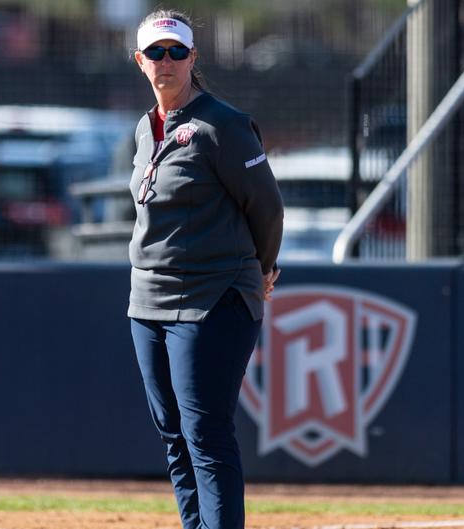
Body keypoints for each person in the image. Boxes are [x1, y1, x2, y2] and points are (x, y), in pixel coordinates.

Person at [127, 9, 283, 529]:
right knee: (173, 436)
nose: (165, 61)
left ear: (194, 58)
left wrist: (261, 271)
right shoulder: (144, 130)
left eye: (176, 51)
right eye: (155, 52)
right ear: (140, 61)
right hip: (147, 300)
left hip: (214, 297)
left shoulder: (224, 126)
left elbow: (267, 206)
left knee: (207, 435)